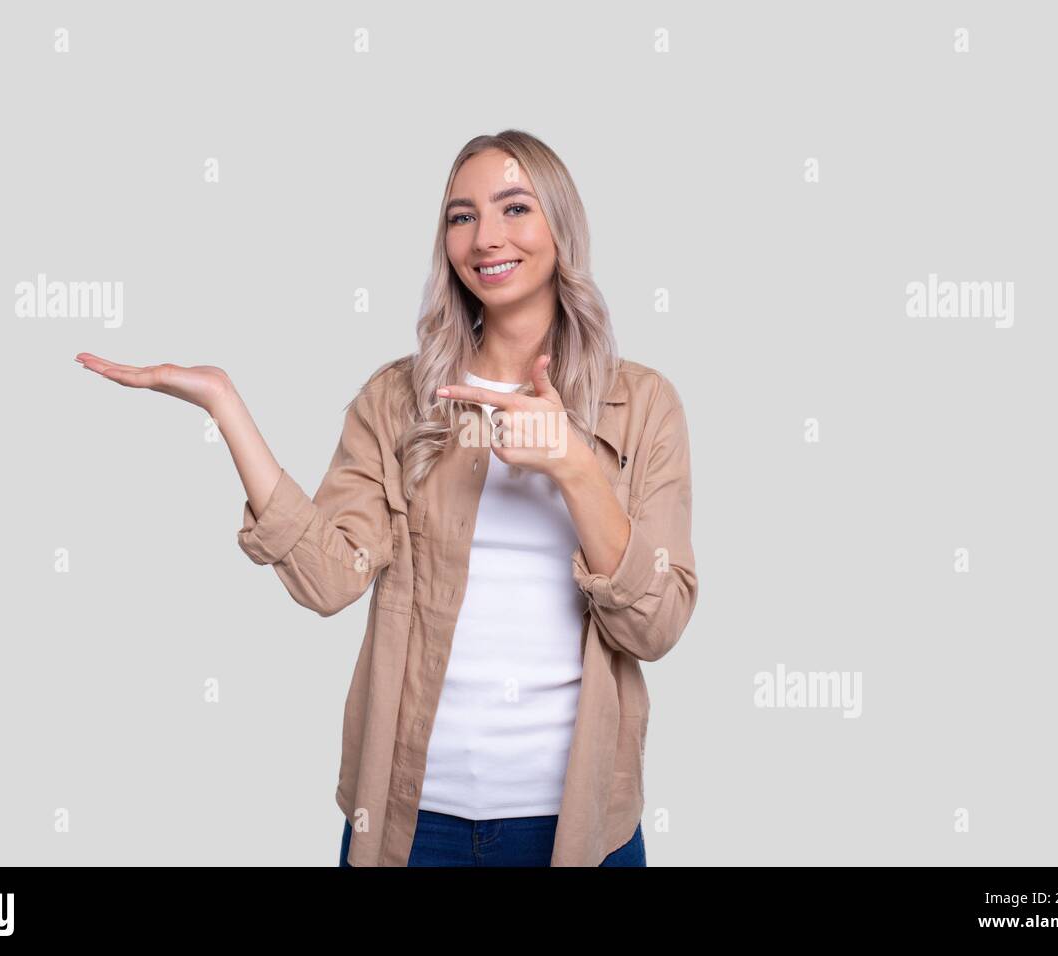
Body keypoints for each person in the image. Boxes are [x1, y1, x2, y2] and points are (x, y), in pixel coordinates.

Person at [76, 129, 697, 867]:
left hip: (579, 824)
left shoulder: (644, 404)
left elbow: (655, 627)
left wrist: (573, 465)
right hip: (413, 818)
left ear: (561, 224)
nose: (485, 237)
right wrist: (226, 407)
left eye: (514, 207)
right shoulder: (400, 400)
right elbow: (329, 578)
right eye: (460, 216)